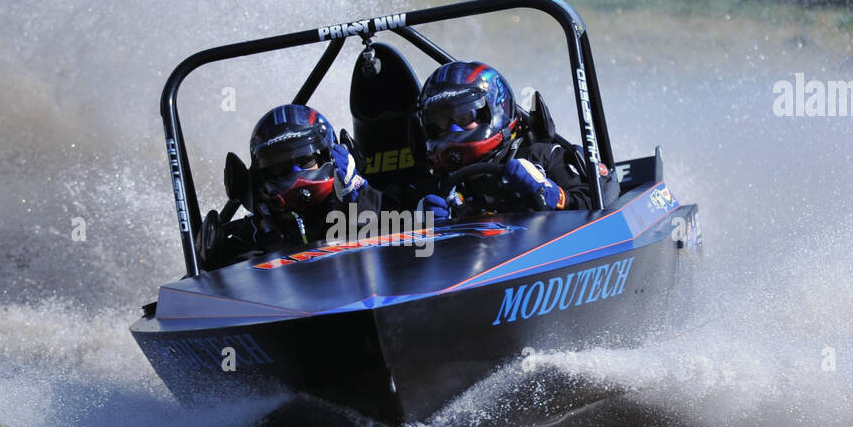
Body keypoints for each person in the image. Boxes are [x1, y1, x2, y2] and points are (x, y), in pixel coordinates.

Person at [411, 61, 602, 219]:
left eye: (463, 118)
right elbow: (386, 217)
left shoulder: (542, 157)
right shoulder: (436, 181)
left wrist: (552, 193)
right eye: (441, 122)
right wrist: (418, 223)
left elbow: (600, 207)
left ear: (492, 111)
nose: (453, 129)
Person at [200, 103, 383, 269]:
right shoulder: (251, 235)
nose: (296, 174)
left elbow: (399, 242)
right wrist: (212, 261)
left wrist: (361, 201)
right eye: (281, 167)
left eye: (305, 161)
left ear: (329, 157)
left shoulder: (375, 204)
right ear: (262, 175)